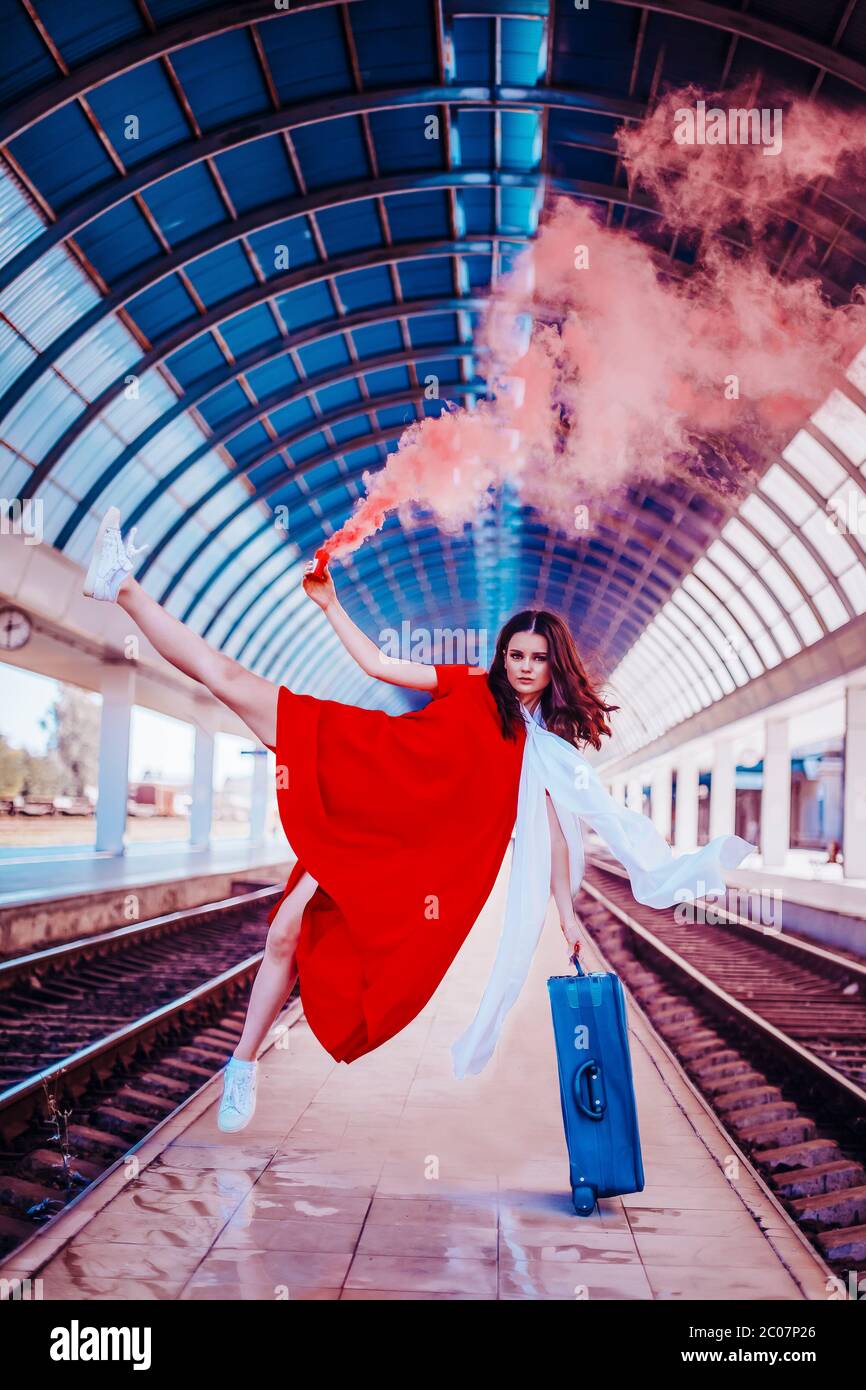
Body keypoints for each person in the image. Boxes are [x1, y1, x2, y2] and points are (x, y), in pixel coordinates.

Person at [83, 505, 756, 1132]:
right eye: (515, 655)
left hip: (400, 848)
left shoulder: (544, 748)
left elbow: (556, 829)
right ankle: (120, 585)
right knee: (228, 679)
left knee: (289, 932)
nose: (523, 668)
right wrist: (331, 606)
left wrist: (566, 911)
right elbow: (377, 663)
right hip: (359, 769)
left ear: (556, 669)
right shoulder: (467, 681)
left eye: (536, 660)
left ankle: (241, 1064)